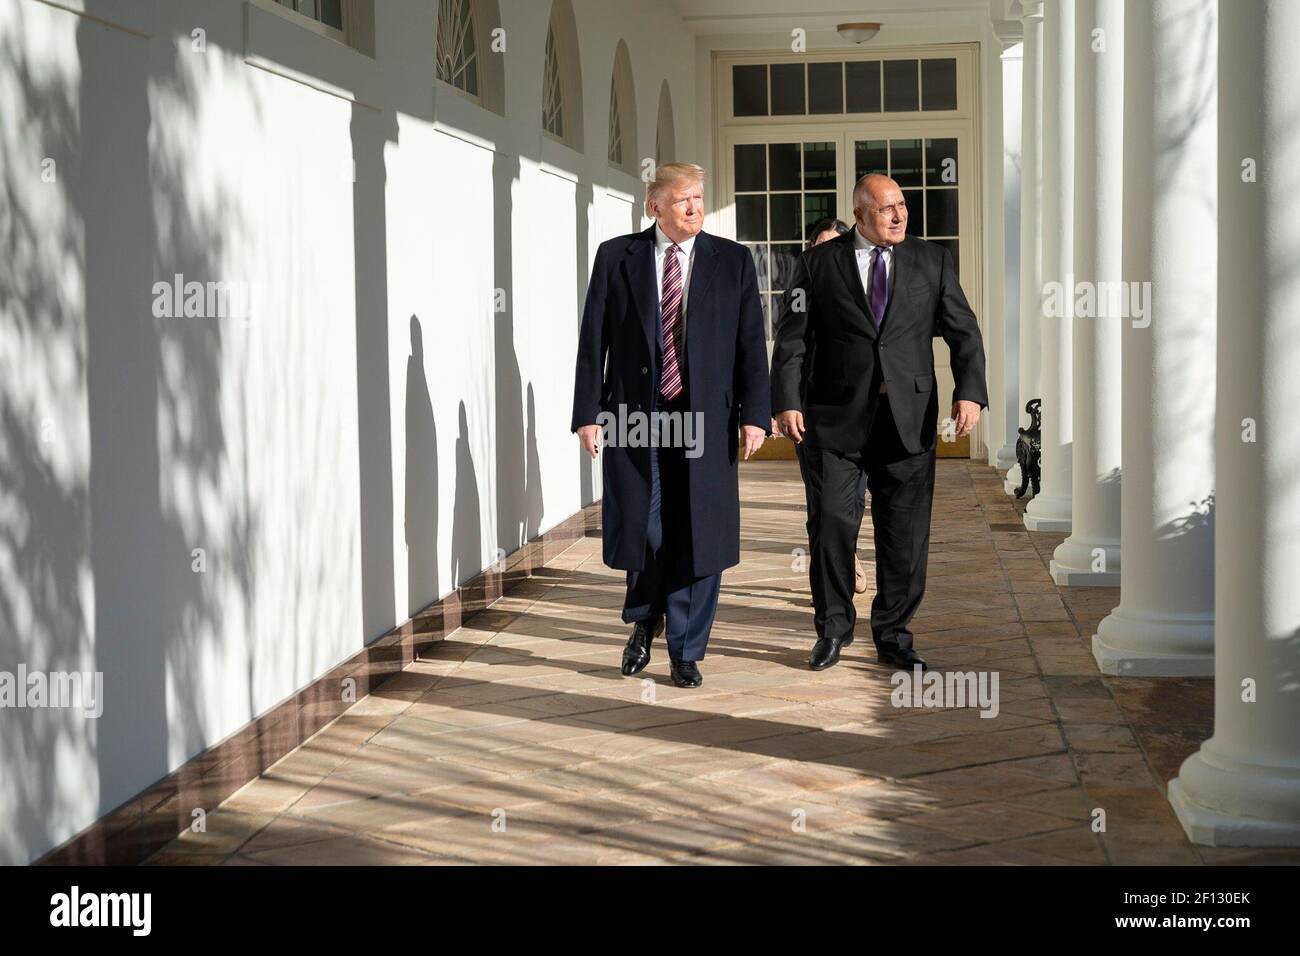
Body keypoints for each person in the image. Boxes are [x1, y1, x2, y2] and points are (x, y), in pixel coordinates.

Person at [770, 174, 987, 672]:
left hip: (907, 418)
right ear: (860, 215)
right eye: (887, 208)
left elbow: (964, 330)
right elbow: (792, 338)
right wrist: (786, 400)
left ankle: (893, 634)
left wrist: (970, 392)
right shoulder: (817, 263)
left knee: (904, 533)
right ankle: (833, 629)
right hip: (834, 418)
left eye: (902, 205)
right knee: (831, 523)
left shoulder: (932, 260)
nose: (899, 215)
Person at [571, 162, 770, 688]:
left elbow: (752, 344)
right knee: (645, 523)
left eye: (699, 198)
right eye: (683, 200)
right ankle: (645, 616)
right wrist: (587, 413)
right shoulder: (617, 257)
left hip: (707, 416)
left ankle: (686, 650)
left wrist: (755, 414)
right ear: (654, 206)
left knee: (700, 529)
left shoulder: (732, 260)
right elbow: (594, 339)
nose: (694, 208)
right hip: (637, 414)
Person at [773, 218, 869, 596]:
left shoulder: (867, 287)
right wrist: (784, 402)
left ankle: (845, 552)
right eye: (821, 246)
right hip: (811, 409)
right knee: (822, 497)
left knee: (854, 496)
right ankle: (831, 577)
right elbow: (787, 345)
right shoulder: (802, 288)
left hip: (860, 411)